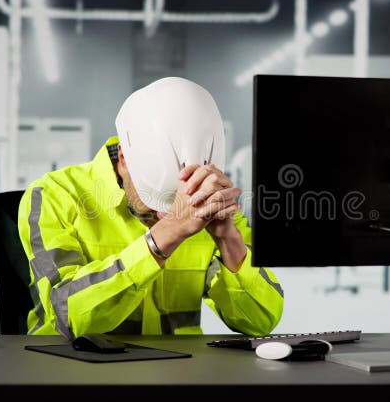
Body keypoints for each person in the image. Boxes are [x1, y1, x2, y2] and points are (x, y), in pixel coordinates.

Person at [17, 77, 284, 339]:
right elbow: (67, 314)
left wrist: (229, 240)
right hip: (73, 371)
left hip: (177, 373)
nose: (166, 216)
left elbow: (261, 322)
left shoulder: (207, 201)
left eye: (178, 203)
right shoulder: (55, 195)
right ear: (123, 157)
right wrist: (165, 236)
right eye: (156, 200)